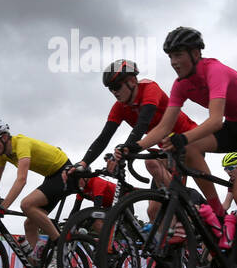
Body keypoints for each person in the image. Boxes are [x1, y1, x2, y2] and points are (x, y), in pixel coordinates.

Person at [123, 27, 237, 268]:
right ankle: (217, 212)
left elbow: (215, 121)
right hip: (235, 128)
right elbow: (163, 128)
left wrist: (181, 138)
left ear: (196, 54)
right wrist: (133, 147)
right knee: (190, 148)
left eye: (179, 55)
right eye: (170, 56)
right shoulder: (180, 84)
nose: (174, 62)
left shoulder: (213, 71)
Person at [74, 59, 221, 221]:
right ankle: (175, 231)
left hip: (189, 141)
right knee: (152, 212)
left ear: (132, 81)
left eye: (117, 87)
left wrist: (126, 149)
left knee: (156, 171)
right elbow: (104, 137)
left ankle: (199, 211)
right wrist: (83, 163)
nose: (114, 92)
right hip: (167, 150)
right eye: (110, 89)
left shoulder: (150, 88)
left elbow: (143, 123)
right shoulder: (120, 107)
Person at [0, 120, 70, 268]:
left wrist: (3, 206)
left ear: (3, 137)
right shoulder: (1, 155)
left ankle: (60, 246)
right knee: (29, 224)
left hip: (63, 172)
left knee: (26, 204)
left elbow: (21, 179)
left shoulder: (21, 143)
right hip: (50, 176)